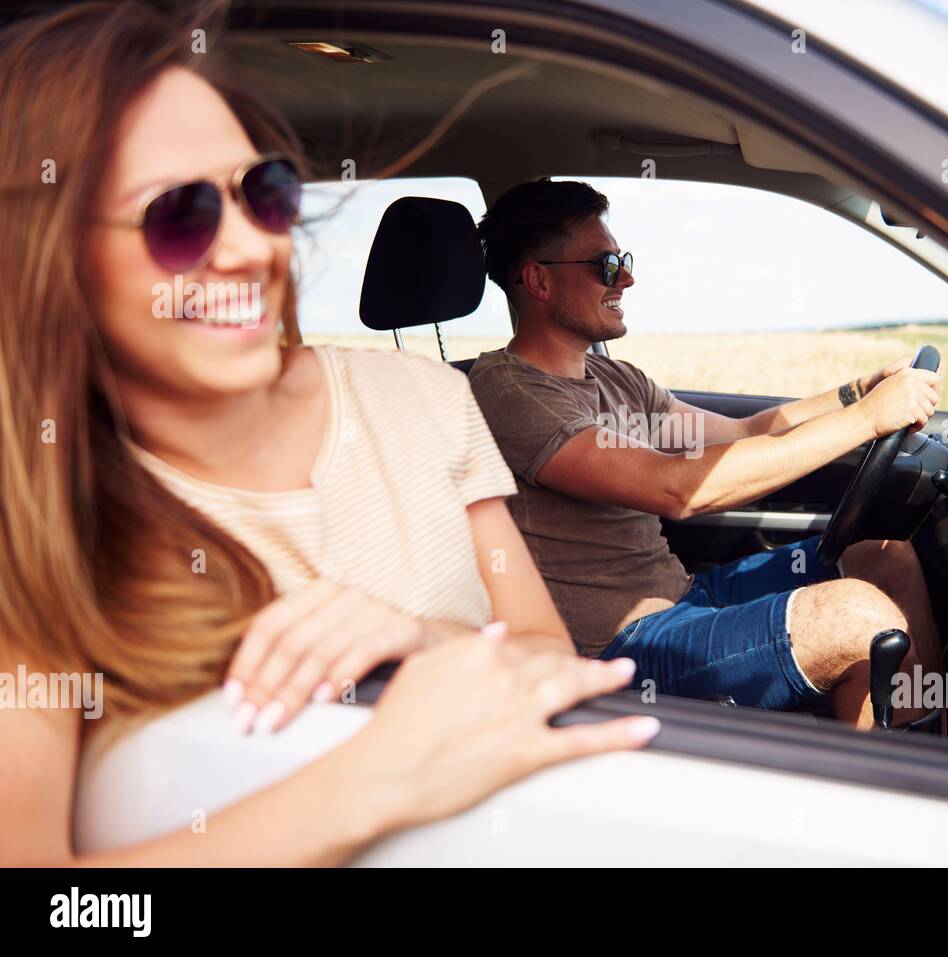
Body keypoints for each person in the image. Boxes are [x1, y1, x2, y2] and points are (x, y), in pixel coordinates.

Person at [0, 2, 657, 867]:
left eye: (264, 196)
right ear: (49, 255)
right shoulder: (35, 527)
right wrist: (373, 782)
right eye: (179, 217)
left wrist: (416, 640)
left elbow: (543, 651)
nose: (247, 248)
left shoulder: (425, 400)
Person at [470, 179, 942, 729]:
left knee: (885, 553)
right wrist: (866, 421)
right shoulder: (511, 394)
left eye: (622, 260)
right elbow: (677, 489)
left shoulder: (614, 377)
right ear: (538, 281)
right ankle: (903, 797)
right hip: (614, 652)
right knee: (858, 618)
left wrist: (855, 395)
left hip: (680, 599)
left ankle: (940, 742)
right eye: (605, 265)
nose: (627, 277)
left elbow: (738, 434)